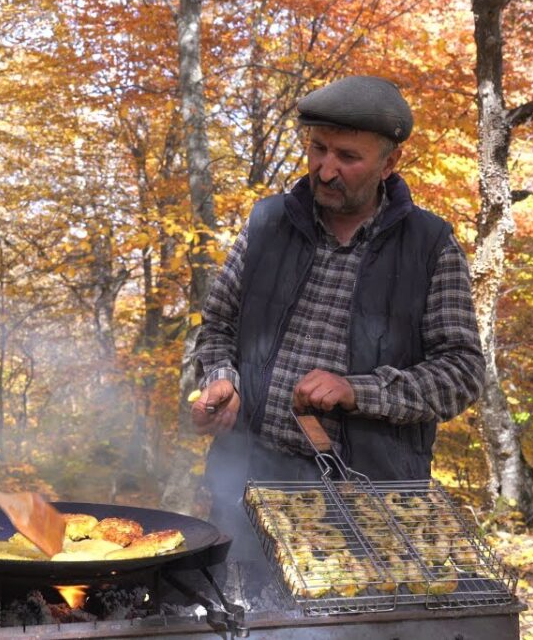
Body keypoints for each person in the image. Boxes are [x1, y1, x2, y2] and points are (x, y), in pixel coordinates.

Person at [190, 76, 484, 559]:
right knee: (238, 618)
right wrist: (221, 380)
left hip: (368, 500)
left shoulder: (430, 246)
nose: (325, 171)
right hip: (248, 484)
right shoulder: (266, 225)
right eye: (318, 149)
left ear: (390, 163)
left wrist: (358, 390)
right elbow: (218, 324)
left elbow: (462, 373)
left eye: (348, 157)